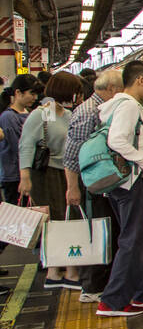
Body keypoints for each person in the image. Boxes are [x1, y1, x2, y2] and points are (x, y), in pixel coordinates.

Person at [96, 61, 143, 318]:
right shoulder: (128, 105)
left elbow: (124, 139)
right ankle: (112, 301)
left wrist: (142, 147)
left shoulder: (116, 104)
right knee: (133, 240)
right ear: (140, 80)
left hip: (124, 182)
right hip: (132, 183)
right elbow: (116, 140)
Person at [64, 68, 124, 303]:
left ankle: (101, 282)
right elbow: (71, 154)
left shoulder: (99, 109)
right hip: (89, 183)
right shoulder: (88, 112)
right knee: (95, 232)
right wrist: (73, 187)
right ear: (111, 89)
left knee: (105, 230)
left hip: (98, 181)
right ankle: (92, 286)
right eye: (121, 90)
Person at [18, 71, 83, 290]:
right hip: (46, 175)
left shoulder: (65, 113)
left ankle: (60, 271)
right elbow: (26, 144)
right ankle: (58, 272)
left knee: (64, 219)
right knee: (54, 222)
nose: (77, 95)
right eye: (74, 91)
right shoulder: (43, 114)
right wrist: (24, 177)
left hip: (65, 172)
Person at [0, 75, 40, 203]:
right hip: (14, 176)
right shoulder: (8, 117)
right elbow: (19, 146)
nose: (35, 98)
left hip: (27, 172)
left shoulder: (28, 113)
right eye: (32, 93)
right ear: (18, 92)